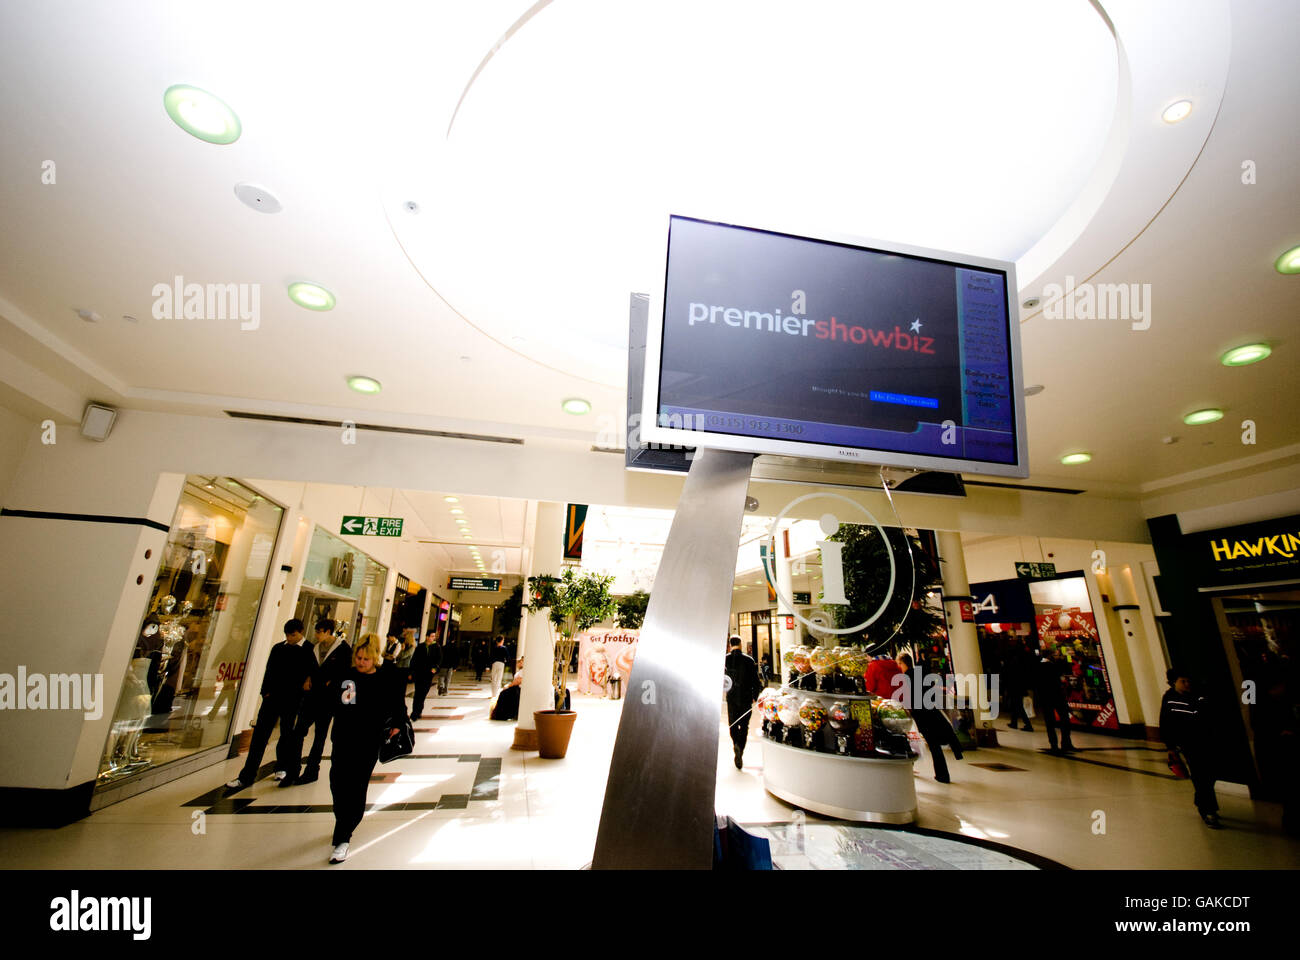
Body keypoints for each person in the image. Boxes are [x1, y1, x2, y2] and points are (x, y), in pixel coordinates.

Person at [327, 633, 408, 863]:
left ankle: (342, 837)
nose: (361, 662)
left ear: (374, 658)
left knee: (356, 785)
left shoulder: (385, 677)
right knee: (337, 782)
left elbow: (397, 704)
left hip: (368, 741)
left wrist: (397, 725)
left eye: (365, 658)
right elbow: (342, 704)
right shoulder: (349, 677)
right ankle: (343, 823)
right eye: (358, 657)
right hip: (343, 739)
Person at [226, 619, 314, 791]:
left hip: (293, 701)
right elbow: (269, 670)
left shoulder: (309, 650)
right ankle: (247, 775)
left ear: (301, 632)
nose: (289, 638)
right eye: (287, 635)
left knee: (287, 736)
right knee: (260, 737)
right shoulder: (278, 648)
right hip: (272, 699)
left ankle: (281, 767)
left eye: (293, 635)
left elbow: (311, 676)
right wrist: (265, 692)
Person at [286, 617, 352, 786]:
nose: (315, 635)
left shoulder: (343, 649)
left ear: (328, 632)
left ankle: (312, 770)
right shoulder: (315, 648)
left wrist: (338, 690)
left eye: (318, 632)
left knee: (320, 736)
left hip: (329, 700)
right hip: (311, 697)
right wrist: (308, 679)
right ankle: (292, 770)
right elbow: (310, 668)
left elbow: (346, 675)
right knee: (298, 732)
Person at [1160, 669, 1220, 827]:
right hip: (1188, 744)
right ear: (1174, 683)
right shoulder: (1169, 699)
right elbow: (1165, 723)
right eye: (1183, 681)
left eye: (1188, 681)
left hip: (1207, 740)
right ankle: (1208, 810)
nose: (1187, 684)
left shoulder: (1199, 695)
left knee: (1210, 774)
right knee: (1200, 775)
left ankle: (1201, 801)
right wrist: (1170, 747)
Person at [897, 653, 963, 783]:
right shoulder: (920, 674)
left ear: (902, 663)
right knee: (934, 745)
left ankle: (942, 775)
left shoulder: (906, 678)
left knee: (933, 745)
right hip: (930, 711)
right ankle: (942, 774)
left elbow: (906, 698)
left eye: (898, 664)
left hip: (921, 715)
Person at [724, 636, 762, 769]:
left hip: (732, 697)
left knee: (733, 724)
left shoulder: (725, 660)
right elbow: (756, 681)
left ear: (730, 645)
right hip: (746, 698)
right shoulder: (749, 660)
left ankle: (735, 744)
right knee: (744, 726)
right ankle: (740, 747)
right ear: (740, 644)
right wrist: (755, 697)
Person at [1033, 648, 1075, 754]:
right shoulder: (1052, 666)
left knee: (1051, 722)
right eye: (1056, 655)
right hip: (1056, 697)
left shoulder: (1038, 666)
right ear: (1050, 656)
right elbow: (1067, 668)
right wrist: (1067, 658)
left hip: (1046, 698)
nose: (1058, 657)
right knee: (1063, 720)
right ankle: (1064, 743)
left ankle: (1055, 744)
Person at [1003, 641, 1034, 732]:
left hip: (1015, 686)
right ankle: (1014, 722)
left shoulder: (1014, 660)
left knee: (1018, 705)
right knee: (1016, 705)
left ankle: (1026, 724)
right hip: (1020, 686)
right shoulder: (1024, 659)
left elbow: (1011, 674)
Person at [410, 629, 441, 720]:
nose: (433, 638)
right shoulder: (420, 647)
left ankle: (418, 710)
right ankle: (415, 712)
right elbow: (414, 660)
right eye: (432, 636)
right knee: (417, 693)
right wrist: (411, 672)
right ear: (427, 637)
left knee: (423, 694)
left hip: (428, 674)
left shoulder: (436, 647)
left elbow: (439, 660)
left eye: (434, 636)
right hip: (419, 674)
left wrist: (435, 668)